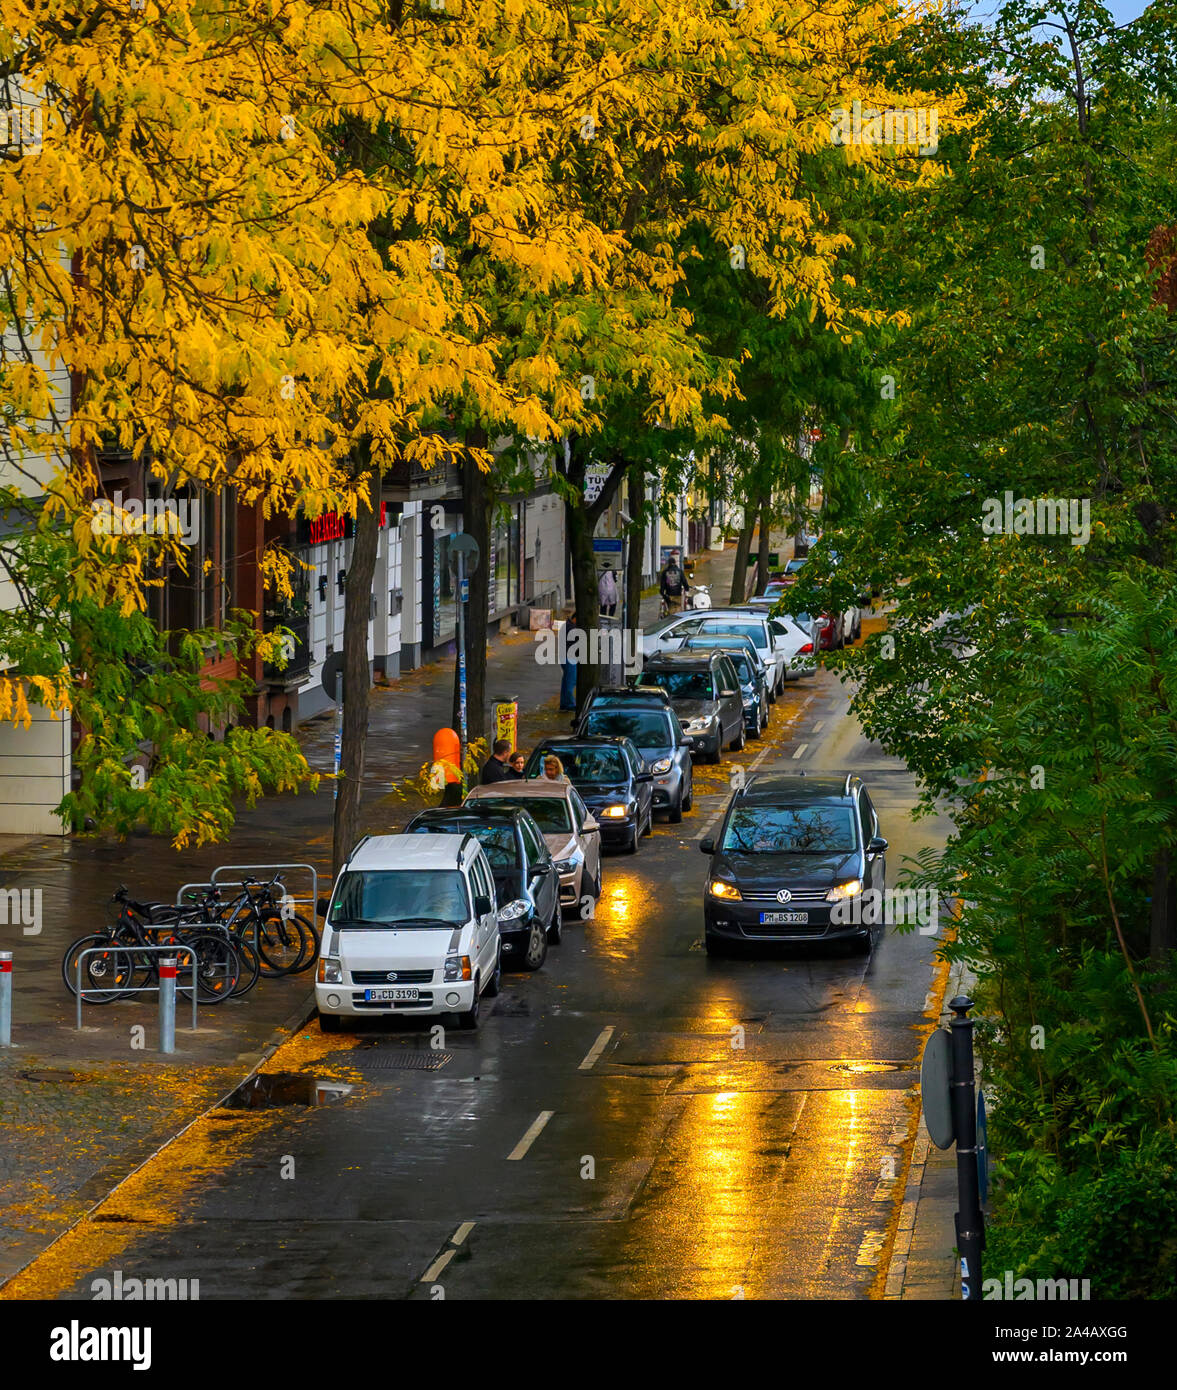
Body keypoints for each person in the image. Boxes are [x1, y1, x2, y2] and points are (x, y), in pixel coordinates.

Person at [560, 612, 578, 710]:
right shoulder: (571, 628)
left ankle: (565, 703)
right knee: (570, 681)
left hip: (567, 657)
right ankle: (569, 704)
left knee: (567, 681)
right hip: (569, 657)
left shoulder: (568, 626)